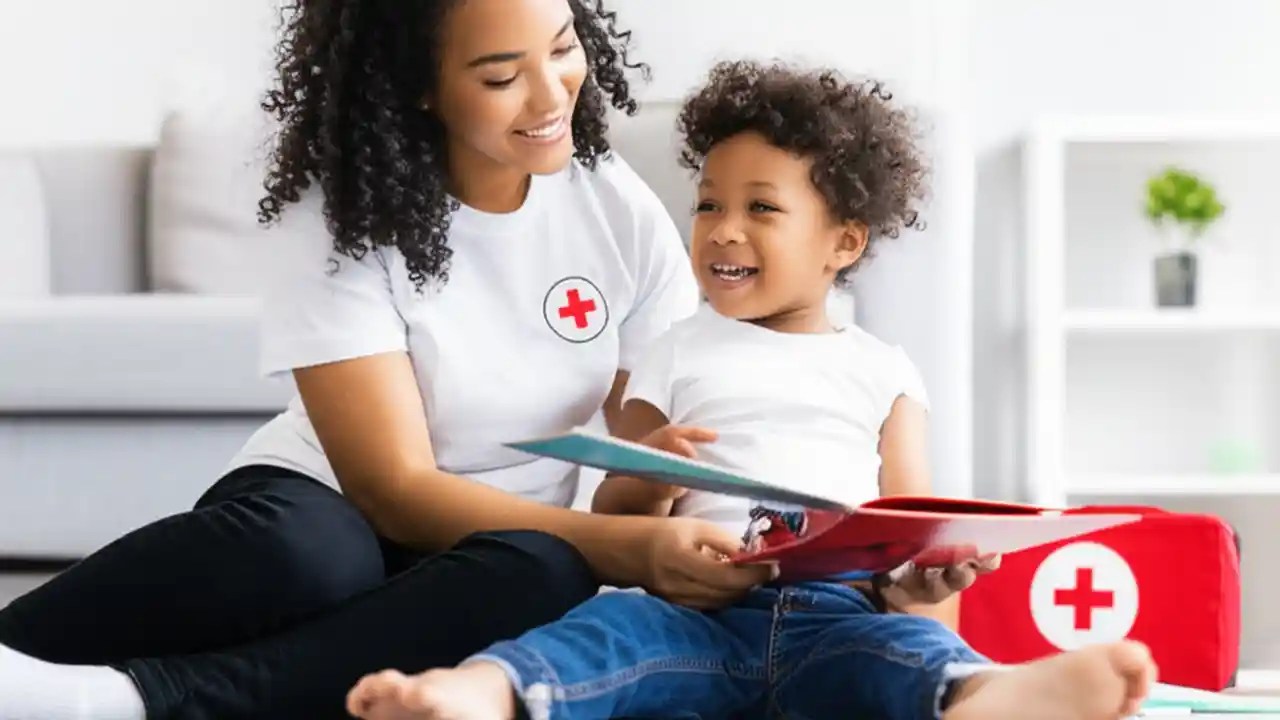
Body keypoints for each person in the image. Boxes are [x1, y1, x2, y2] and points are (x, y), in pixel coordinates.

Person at [0, 0, 785, 718]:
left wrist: (654, 494)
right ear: (421, 87)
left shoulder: (614, 203)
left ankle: (126, 703)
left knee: (551, 575)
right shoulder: (345, 216)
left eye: (563, 48)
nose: (552, 96)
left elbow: (633, 466)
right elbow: (394, 491)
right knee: (316, 557)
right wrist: (627, 548)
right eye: (503, 75)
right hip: (326, 503)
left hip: (502, 543)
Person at [344, 60, 1160, 720]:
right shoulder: (671, 351)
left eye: (761, 208)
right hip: (693, 616)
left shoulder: (884, 370)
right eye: (708, 205)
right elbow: (614, 519)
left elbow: (911, 537)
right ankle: (478, 693)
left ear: (843, 241)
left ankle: (996, 697)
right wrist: (649, 477)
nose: (722, 228)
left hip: (838, 618)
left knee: (911, 660)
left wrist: (924, 583)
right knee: (601, 635)